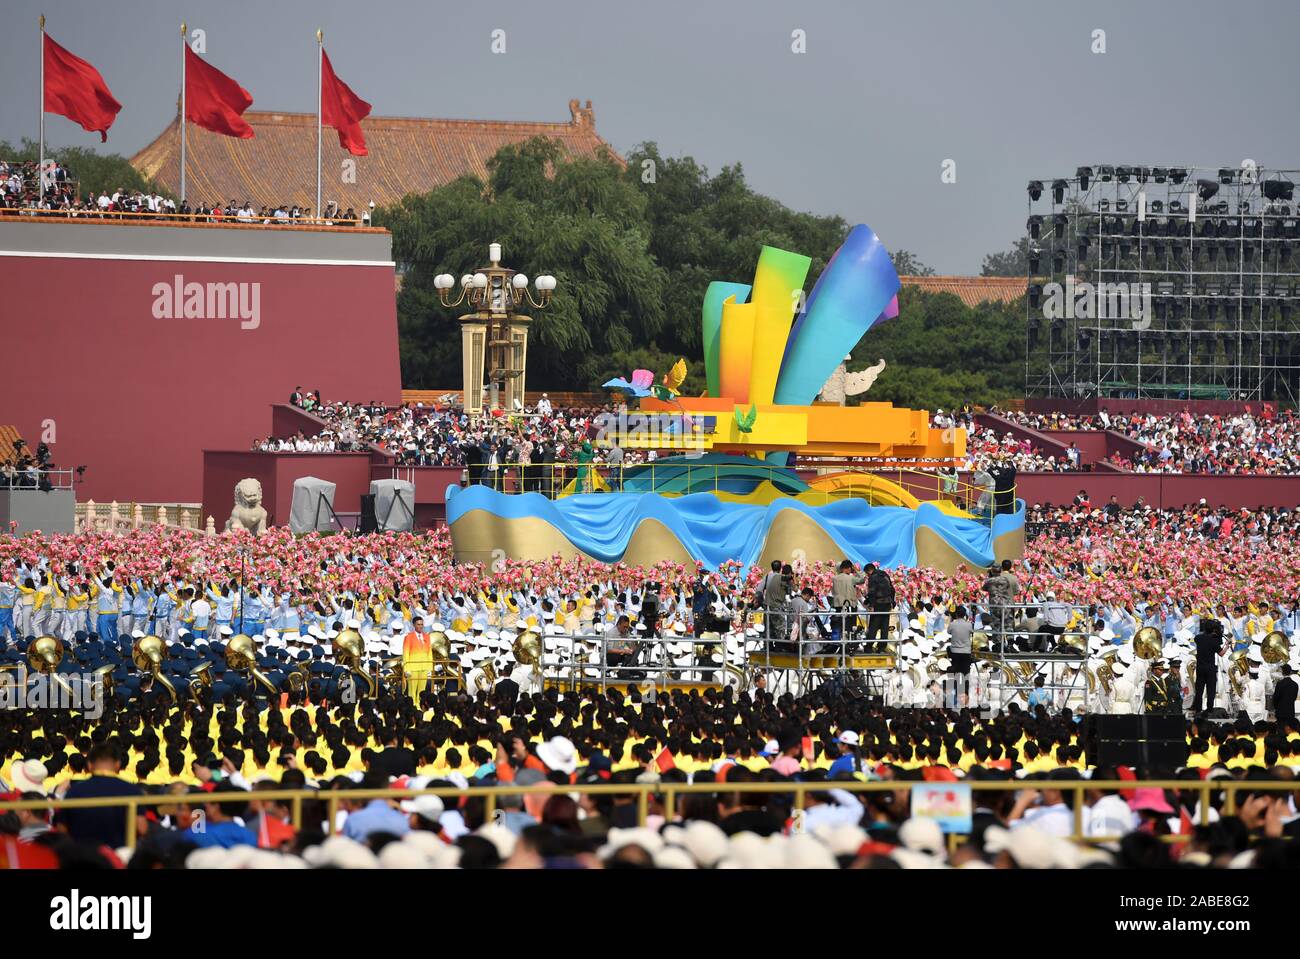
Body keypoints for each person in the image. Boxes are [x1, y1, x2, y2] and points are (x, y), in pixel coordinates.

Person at [56, 743, 145, 849]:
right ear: (117, 764)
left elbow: (61, 828)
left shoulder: (75, 791)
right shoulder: (132, 790)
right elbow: (142, 828)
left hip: (83, 855)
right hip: (119, 856)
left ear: (89, 765)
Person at [1193, 618, 1227, 714]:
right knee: (1210, 690)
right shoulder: (1214, 641)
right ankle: (1209, 709)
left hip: (1200, 667)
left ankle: (1198, 710)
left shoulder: (1198, 638)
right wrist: (1227, 645)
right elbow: (1221, 653)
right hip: (1210, 668)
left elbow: (1200, 637)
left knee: (1199, 690)